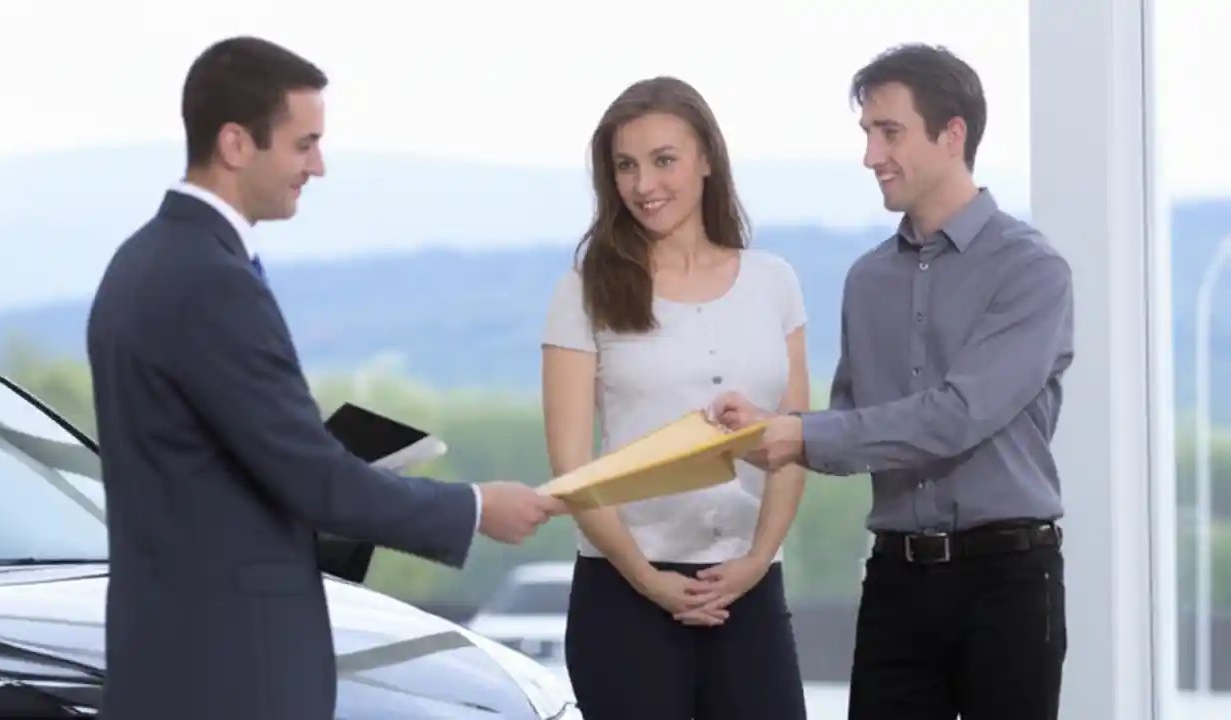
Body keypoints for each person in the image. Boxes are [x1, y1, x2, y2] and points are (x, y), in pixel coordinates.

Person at [85, 36, 565, 720]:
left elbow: (221, 470)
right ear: (234, 143)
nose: (319, 166)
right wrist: (477, 508)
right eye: (303, 144)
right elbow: (314, 481)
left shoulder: (139, 263)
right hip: (229, 676)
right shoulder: (210, 281)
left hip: (171, 658)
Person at [712, 43, 1073, 720]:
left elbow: (956, 415)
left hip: (1009, 581)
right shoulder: (866, 281)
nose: (871, 156)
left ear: (952, 134)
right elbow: (852, 425)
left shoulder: (1032, 272)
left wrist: (801, 435)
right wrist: (770, 428)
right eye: (868, 135)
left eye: (890, 133)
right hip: (896, 581)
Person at [541, 75, 810, 720]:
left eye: (664, 160)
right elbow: (572, 471)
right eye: (626, 166)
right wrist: (647, 579)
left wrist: (756, 559)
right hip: (626, 594)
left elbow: (794, 438)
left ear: (707, 159)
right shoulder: (584, 291)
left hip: (749, 588)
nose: (644, 184)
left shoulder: (774, 282)